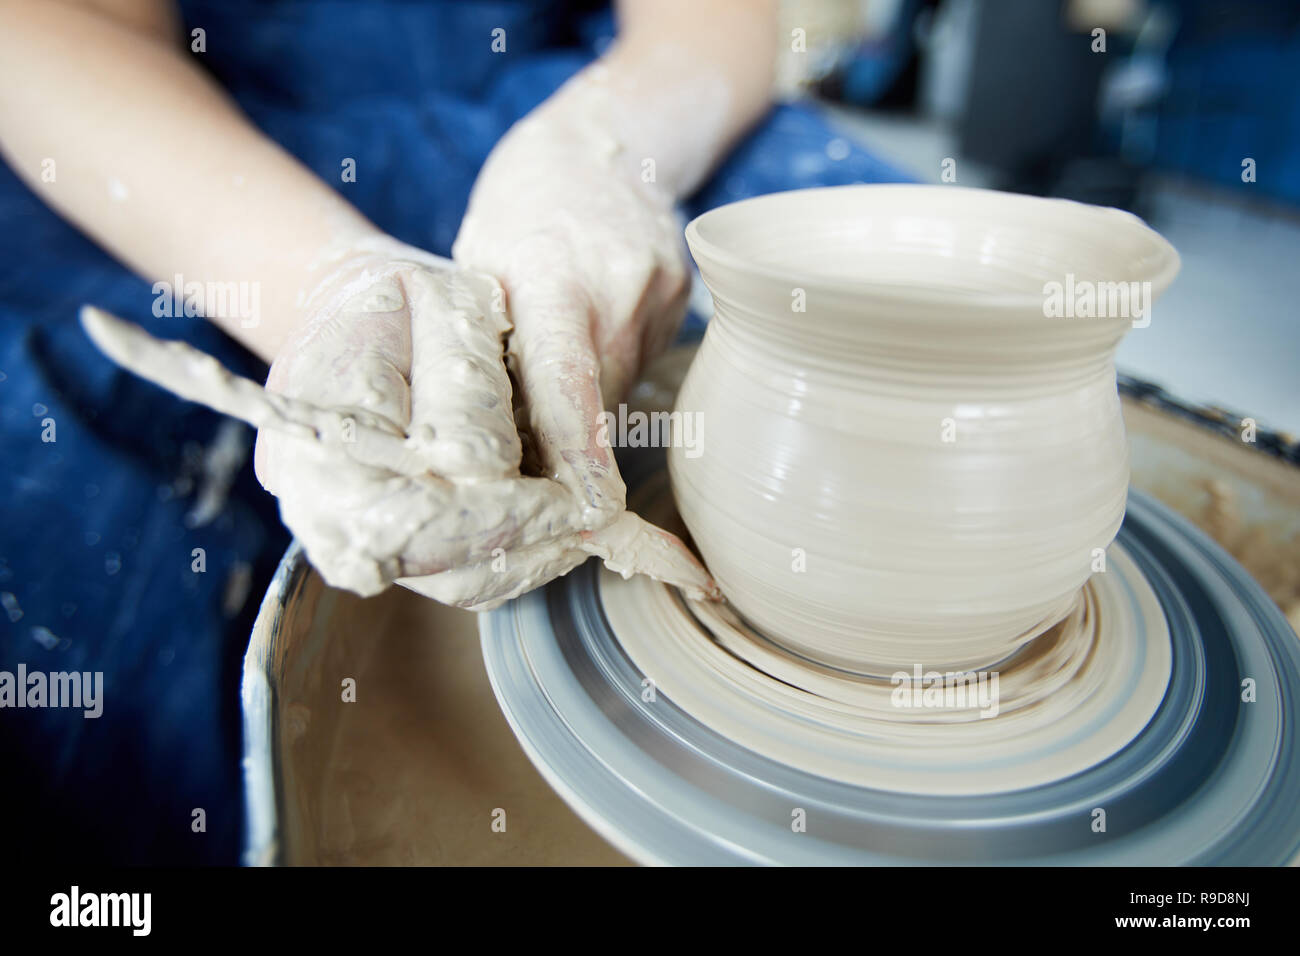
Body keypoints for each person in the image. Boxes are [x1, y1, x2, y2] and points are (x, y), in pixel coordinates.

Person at [0, 0, 907, 863]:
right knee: (76, 545)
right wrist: (325, 285)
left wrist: (603, 152)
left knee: (877, 278)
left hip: (564, 107)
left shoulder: (584, 132)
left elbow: (711, 24)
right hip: (177, 143)